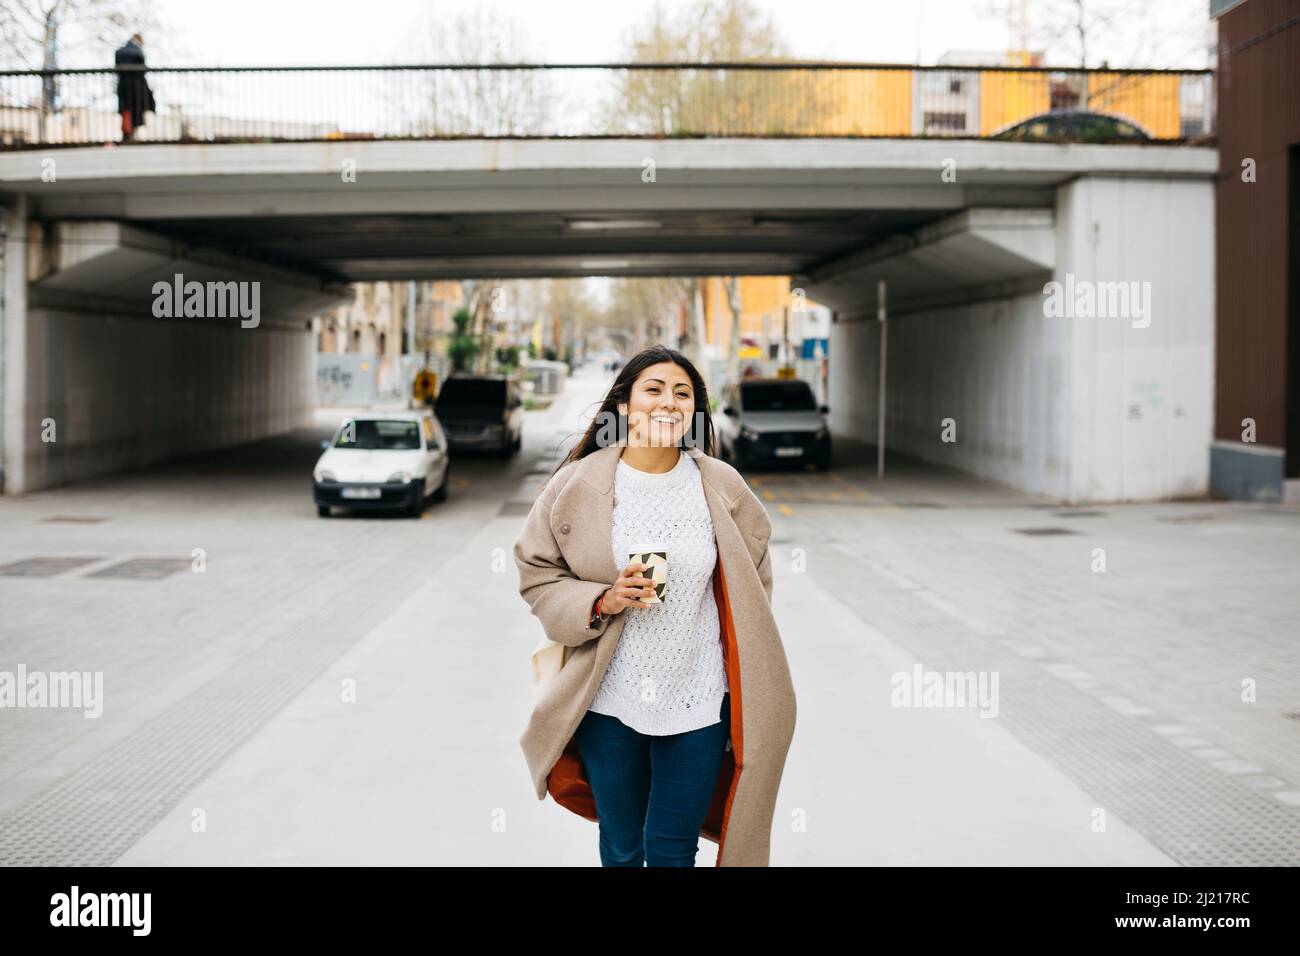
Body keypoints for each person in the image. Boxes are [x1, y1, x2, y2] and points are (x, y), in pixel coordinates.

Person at [513, 345, 796, 867]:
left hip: (700, 697)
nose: (669, 402)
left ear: (694, 410)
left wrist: (744, 665)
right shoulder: (578, 485)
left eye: (682, 393)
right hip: (608, 701)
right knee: (622, 846)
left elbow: (755, 583)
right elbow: (537, 574)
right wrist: (602, 599)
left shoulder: (721, 485)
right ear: (624, 405)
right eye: (654, 389)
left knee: (672, 849)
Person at [114, 33, 155, 142]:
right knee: (136, 110)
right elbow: (143, 69)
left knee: (126, 110)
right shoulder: (138, 51)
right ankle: (131, 133)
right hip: (136, 87)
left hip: (123, 86)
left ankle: (127, 133)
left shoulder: (120, 52)